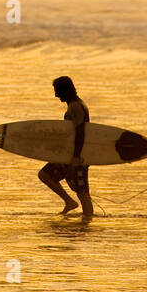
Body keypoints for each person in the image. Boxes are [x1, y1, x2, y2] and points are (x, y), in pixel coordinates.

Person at [37, 75, 93, 218]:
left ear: (65, 90)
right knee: (82, 192)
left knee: (82, 192)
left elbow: (80, 133)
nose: (56, 95)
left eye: (57, 91)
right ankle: (80, 213)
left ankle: (84, 218)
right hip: (72, 154)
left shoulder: (76, 107)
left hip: (75, 155)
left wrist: (75, 157)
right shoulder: (77, 105)